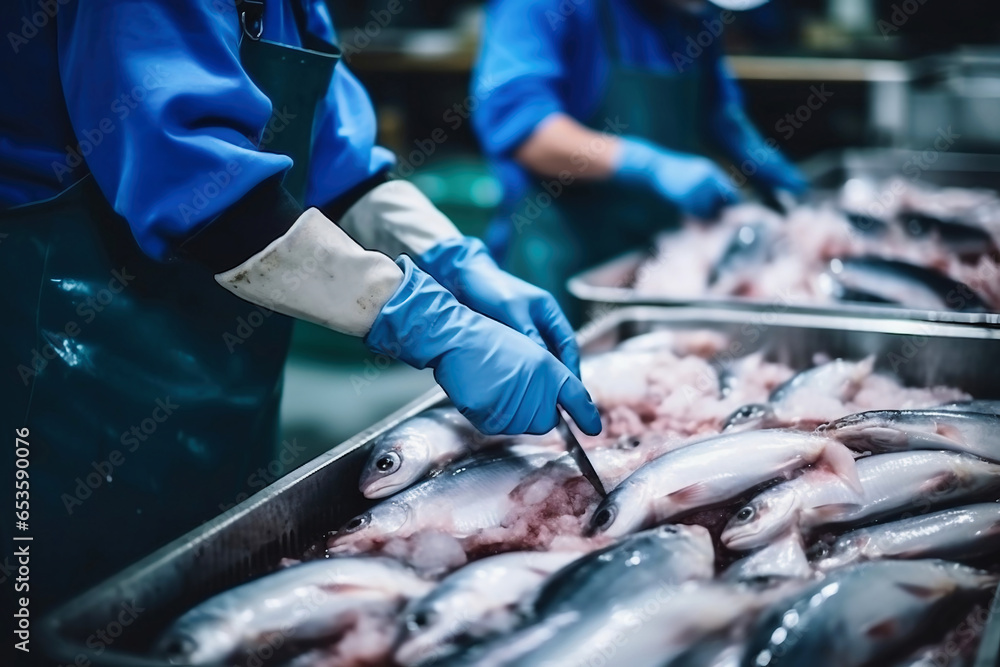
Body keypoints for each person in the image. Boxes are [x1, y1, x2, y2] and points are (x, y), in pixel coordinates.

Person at [0, 0, 600, 616]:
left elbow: (342, 172)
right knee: (63, 615)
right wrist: (434, 325)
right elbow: (209, 200)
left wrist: (452, 259)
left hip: (222, 380)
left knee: (216, 604)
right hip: (72, 382)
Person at [471, 0, 808, 321]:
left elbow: (717, 110)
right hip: (558, 263)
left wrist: (763, 161)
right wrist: (649, 165)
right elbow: (527, 134)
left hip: (654, 266)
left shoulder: (689, 14)